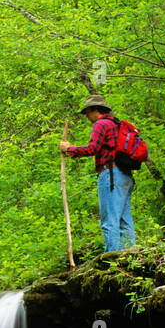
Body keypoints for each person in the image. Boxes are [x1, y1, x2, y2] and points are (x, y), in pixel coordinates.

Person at [60, 94, 136, 253]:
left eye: (87, 112)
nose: (87, 116)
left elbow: (92, 149)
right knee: (124, 219)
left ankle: (112, 257)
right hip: (125, 175)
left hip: (111, 175)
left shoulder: (101, 124)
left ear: (95, 110)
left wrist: (69, 150)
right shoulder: (116, 124)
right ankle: (130, 255)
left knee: (109, 220)